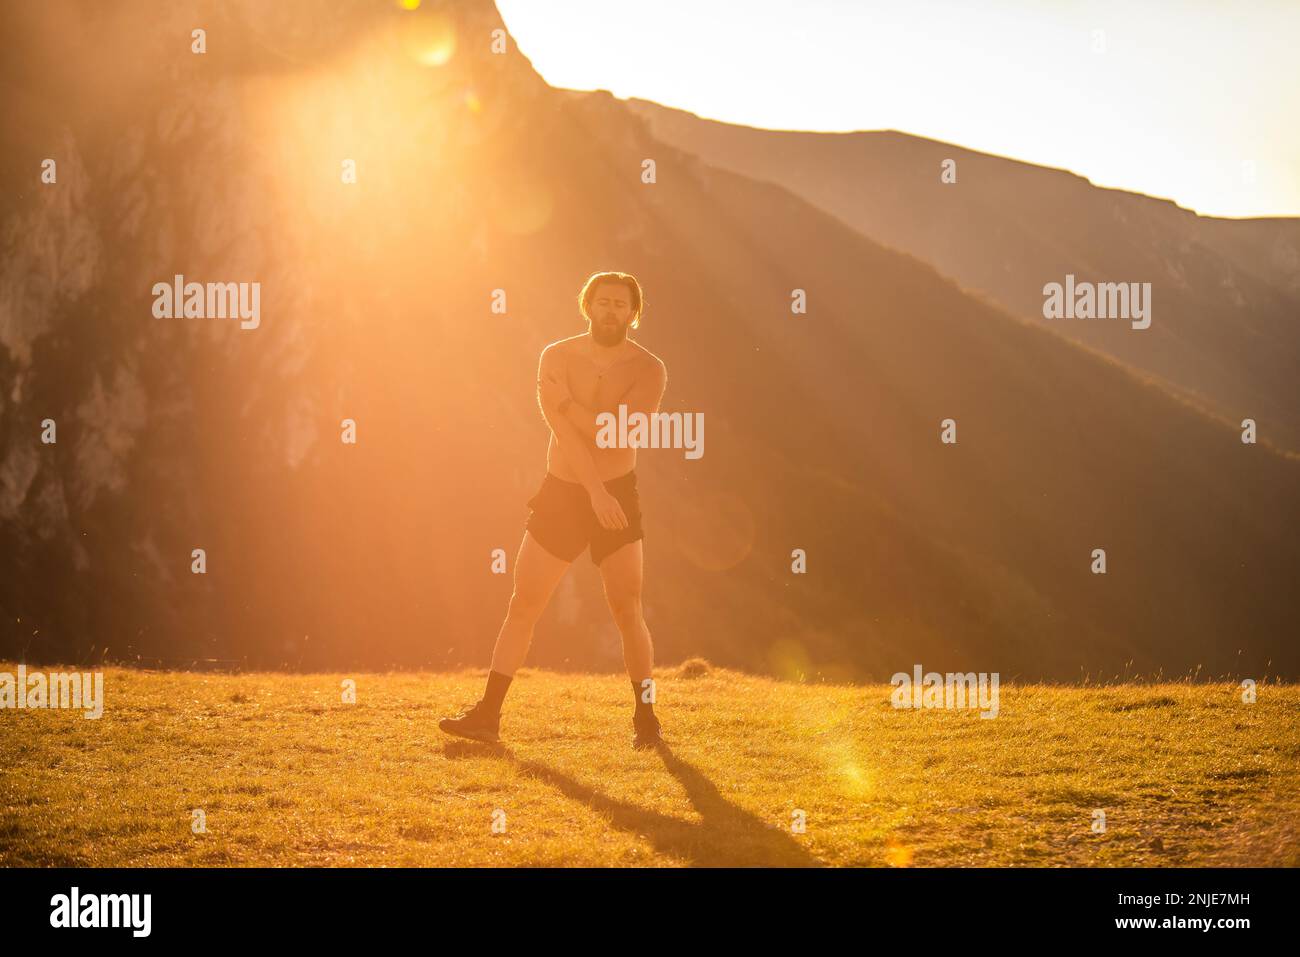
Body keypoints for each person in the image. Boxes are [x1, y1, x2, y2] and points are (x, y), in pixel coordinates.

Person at [439, 271, 669, 749]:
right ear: (587, 306)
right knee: (524, 604)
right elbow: (562, 430)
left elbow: (619, 435)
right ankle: (488, 714)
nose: (610, 311)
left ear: (634, 313)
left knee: (627, 607)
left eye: (620, 305)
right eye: (602, 302)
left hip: (618, 495)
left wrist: (576, 414)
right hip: (563, 494)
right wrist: (594, 489)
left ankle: (646, 718)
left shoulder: (649, 370)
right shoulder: (556, 356)